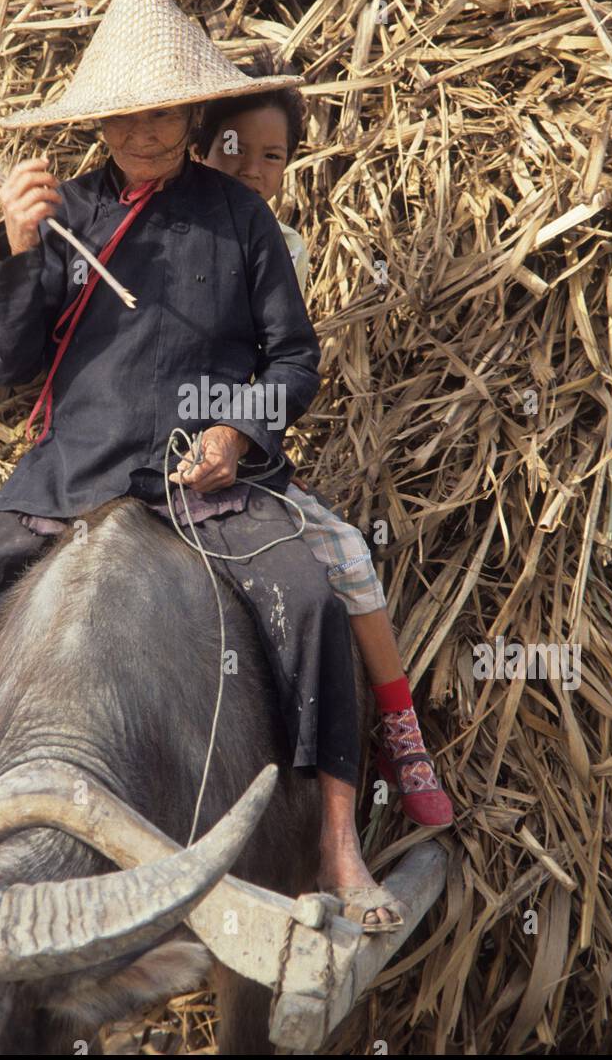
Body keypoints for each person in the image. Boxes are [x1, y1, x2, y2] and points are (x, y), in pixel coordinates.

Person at [0, 0, 406, 929]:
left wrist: (235, 429)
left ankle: (336, 840)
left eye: (161, 114)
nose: (144, 134)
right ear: (98, 124)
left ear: (189, 109)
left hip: (209, 491)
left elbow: (294, 359)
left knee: (317, 607)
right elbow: (10, 368)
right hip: (70, 478)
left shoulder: (239, 216)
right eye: (123, 120)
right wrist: (17, 245)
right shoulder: (67, 214)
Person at [192, 55, 453, 826]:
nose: (255, 169)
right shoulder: (155, 227)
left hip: (240, 452)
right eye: (235, 149)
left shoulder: (280, 246)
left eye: (275, 156)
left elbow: (287, 358)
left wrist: (239, 429)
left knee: (344, 553)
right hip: (141, 442)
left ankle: (399, 731)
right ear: (200, 148)